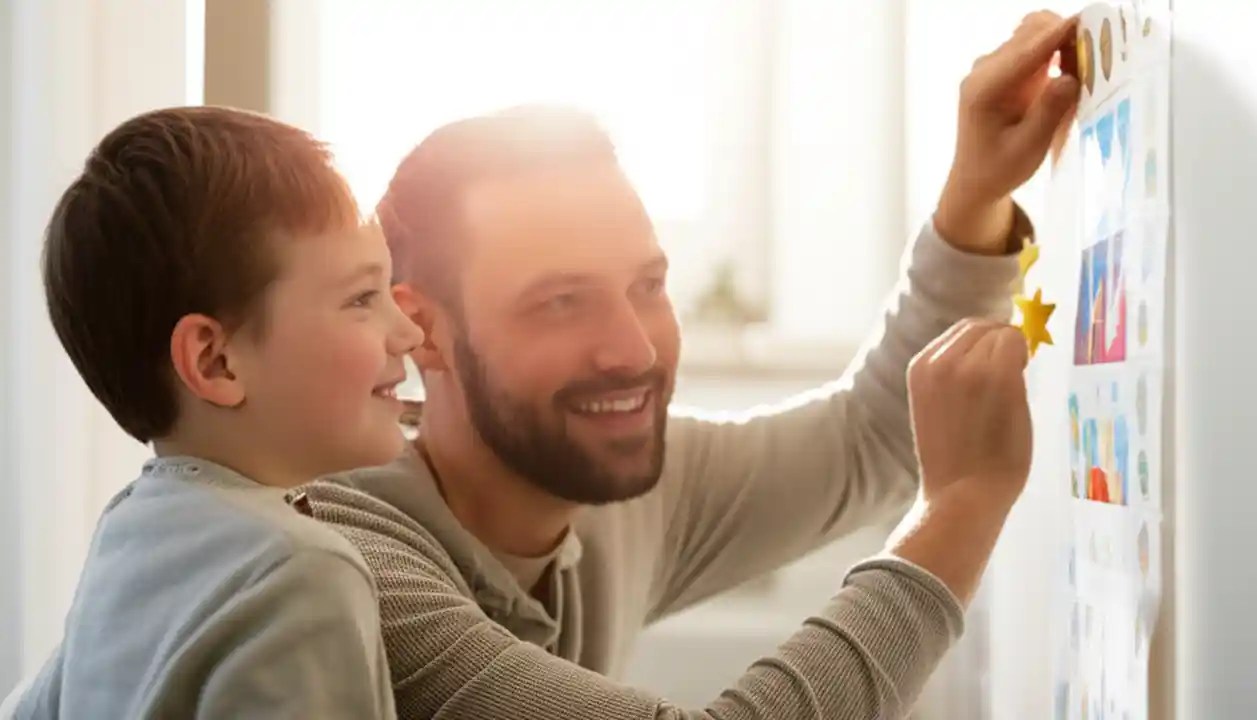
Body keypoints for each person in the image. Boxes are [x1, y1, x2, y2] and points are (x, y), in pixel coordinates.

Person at [303, 11, 1081, 719]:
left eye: (647, 286)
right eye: (561, 303)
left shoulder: (610, 485)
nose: (633, 350)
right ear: (421, 330)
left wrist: (975, 194)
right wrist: (963, 509)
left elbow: (871, 436)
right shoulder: (344, 564)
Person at [10, 107, 422, 718]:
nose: (408, 331)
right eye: (362, 298)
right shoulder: (301, 574)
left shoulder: (130, 532)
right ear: (216, 362)